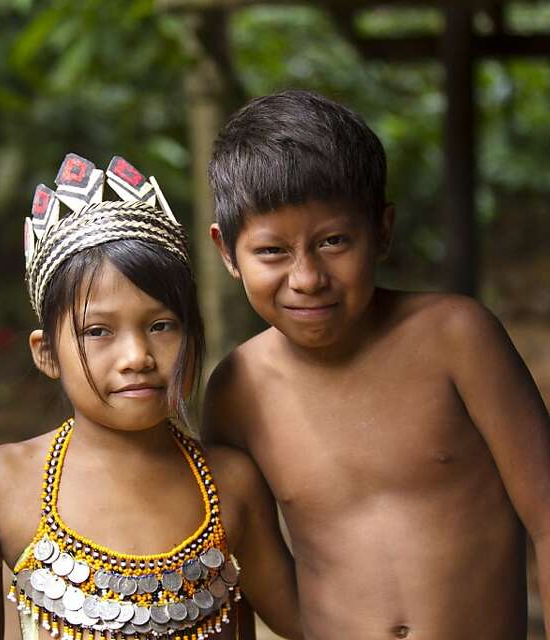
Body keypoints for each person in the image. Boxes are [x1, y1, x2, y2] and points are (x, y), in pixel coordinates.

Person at [205, 89, 550, 640]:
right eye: (273, 251)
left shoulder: (456, 339)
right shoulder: (236, 390)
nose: (307, 278)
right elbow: (235, 562)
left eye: (334, 241)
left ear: (382, 231)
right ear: (227, 253)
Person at [0, 153, 303, 640]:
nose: (137, 356)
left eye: (161, 326)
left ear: (194, 335)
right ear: (46, 353)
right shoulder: (5, 483)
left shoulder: (232, 484)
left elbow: (307, 623)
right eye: (98, 332)